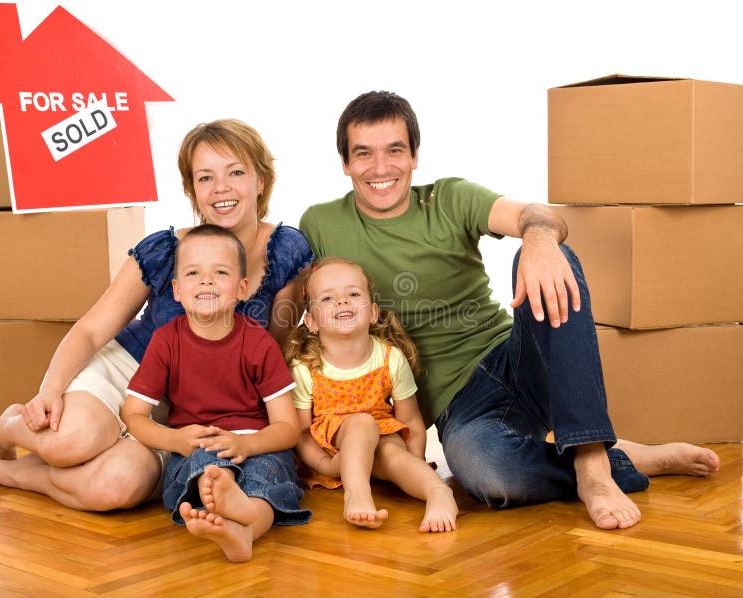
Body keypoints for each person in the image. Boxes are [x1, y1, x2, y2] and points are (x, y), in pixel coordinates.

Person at [299, 91, 721, 530]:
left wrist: (538, 241)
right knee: (490, 477)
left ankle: (594, 464)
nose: (381, 168)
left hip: (516, 357)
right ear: (345, 164)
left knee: (545, 255)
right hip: (458, 404)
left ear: (415, 156)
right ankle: (628, 460)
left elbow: (539, 214)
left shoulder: (450, 198)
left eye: (395, 150)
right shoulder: (321, 224)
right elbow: (304, 300)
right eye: (364, 154)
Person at [0, 119, 313, 511]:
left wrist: (260, 433)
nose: (221, 188)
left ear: (261, 180)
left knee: (113, 488)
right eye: (205, 178)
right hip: (130, 368)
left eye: (236, 172)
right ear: (193, 190)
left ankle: (6, 473)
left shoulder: (285, 250)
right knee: (70, 443)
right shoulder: (164, 249)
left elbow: (275, 346)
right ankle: (10, 426)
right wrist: (50, 389)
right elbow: (91, 330)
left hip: (192, 407)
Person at [121, 224, 309, 562]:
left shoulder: (259, 343)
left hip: (258, 444)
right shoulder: (166, 342)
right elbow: (133, 414)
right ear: (176, 290)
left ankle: (243, 526)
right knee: (207, 467)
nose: (206, 280)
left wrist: (247, 445)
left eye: (220, 272)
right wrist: (176, 441)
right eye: (194, 272)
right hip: (199, 446)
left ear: (242, 287)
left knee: (264, 480)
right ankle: (230, 504)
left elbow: (287, 428)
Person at [284, 257, 458, 532]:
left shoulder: (390, 358)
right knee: (361, 422)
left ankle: (438, 492)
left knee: (391, 451)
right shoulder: (306, 366)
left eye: (353, 294)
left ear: (374, 312)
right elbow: (301, 432)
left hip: (382, 436)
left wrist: (414, 463)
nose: (343, 302)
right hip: (334, 452)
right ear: (311, 321)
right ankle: (357, 495)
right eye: (328, 298)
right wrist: (326, 465)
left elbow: (411, 420)